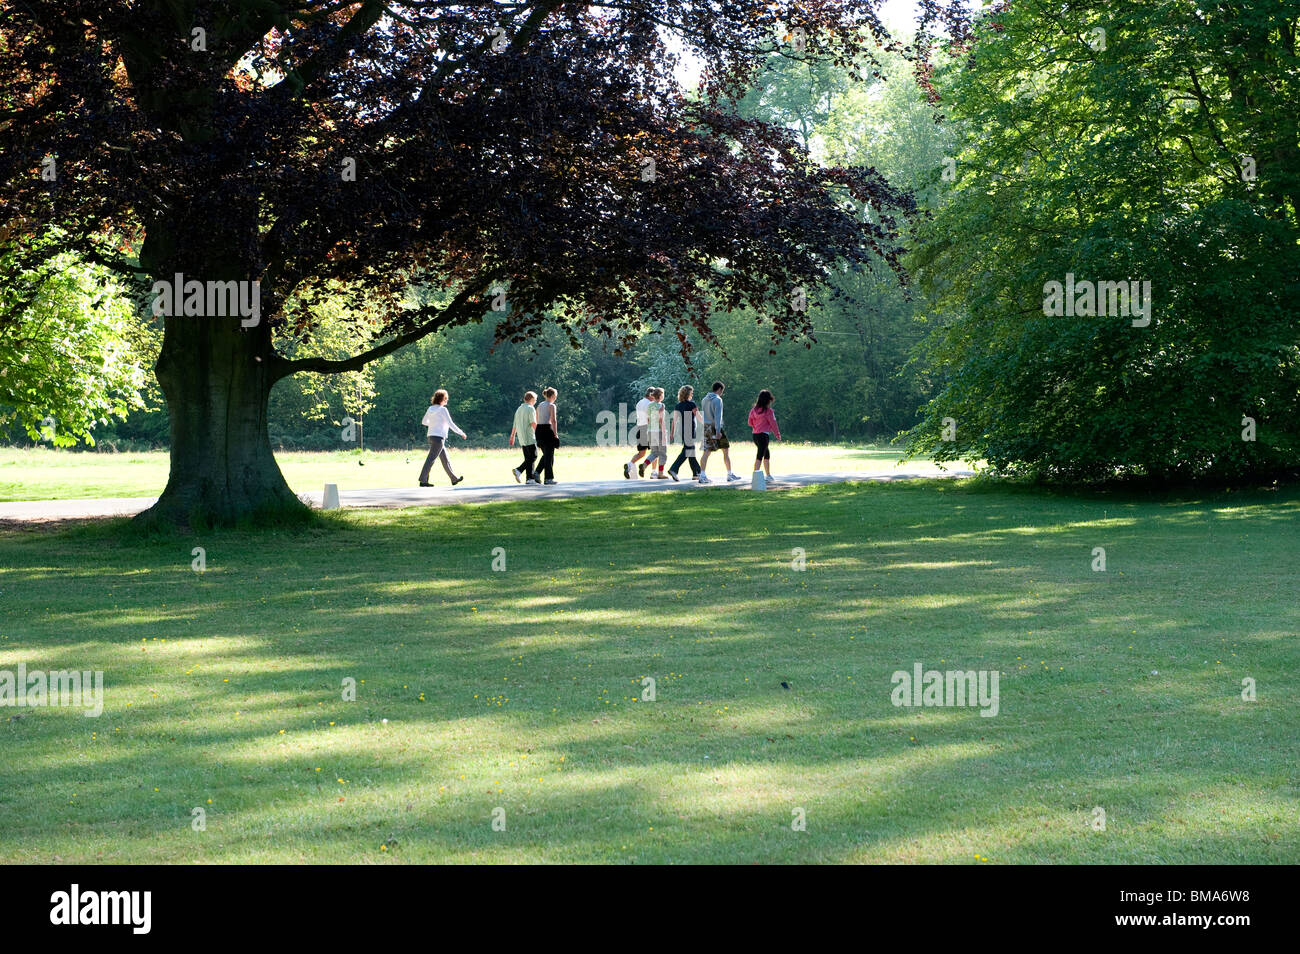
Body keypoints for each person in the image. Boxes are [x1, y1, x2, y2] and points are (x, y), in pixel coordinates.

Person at [419, 389, 467, 486]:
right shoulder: (443, 410)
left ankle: (454, 479)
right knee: (431, 459)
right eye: (446, 399)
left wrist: (433, 424)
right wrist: (461, 432)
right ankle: (423, 480)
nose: (447, 401)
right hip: (439, 438)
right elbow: (450, 424)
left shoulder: (430, 409)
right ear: (442, 399)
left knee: (445, 459)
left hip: (431, 436)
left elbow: (424, 422)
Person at [697, 380, 742, 484]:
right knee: (724, 450)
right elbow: (718, 416)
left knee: (708, 451)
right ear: (720, 389)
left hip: (706, 427)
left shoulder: (704, 399)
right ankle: (728, 474)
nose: (722, 393)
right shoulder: (718, 400)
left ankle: (703, 475)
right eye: (722, 391)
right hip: (715, 427)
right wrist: (718, 431)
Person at [667, 385, 702, 481]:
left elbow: (674, 421)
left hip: (682, 431)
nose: (692, 394)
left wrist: (671, 433)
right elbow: (698, 416)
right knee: (687, 451)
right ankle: (674, 469)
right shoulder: (692, 404)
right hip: (689, 430)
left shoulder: (678, 405)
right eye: (691, 392)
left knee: (690, 451)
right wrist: (707, 424)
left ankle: (696, 473)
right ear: (688, 394)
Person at [747, 388, 781, 483]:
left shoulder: (753, 410)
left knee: (766, 453)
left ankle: (768, 475)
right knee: (760, 455)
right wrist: (777, 435)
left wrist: (756, 426)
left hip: (755, 435)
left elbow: (749, 422)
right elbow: (773, 424)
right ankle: (755, 476)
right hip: (764, 436)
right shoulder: (769, 412)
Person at [624, 387, 655, 478]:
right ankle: (654, 472)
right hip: (648, 428)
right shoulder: (651, 404)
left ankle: (629, 464)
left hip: (640, 428)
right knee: (655, 452)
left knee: (641, 453)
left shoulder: (639, 403)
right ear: (651, 395)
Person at [509, 390, 538, 483]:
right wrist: (540, 433)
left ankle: (530, 479)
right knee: (534, 456)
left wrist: (512, 436)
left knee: (528, 458)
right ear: (532, 399)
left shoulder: (519, 409)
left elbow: (514, 424)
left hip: (521, 437)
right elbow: (533, 423)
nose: (535, 402)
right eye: (535, 400)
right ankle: (519, 470)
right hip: (529, 436)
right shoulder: (530, 408)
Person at [534, 386, 560, 484]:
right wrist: (555, 433)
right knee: (549, 455)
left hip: (539, 430)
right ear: (553, 395)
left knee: (547, 454)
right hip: (547, 429)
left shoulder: (540, 405)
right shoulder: (551, 405)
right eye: (555, 395)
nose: (556, 397)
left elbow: (536, 418)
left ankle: (537, 472)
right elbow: (553, 420)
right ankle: (548, 478)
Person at [642, 387, 669, 478]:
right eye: (663, 394)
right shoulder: (661, 406)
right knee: (662, 453)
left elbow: (648, 419)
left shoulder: (649, 405)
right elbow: (661, 420)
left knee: (654, 452)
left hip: (650, 431)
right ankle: (660, 473)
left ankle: (644, 465)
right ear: (660, 396)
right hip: (658, 431)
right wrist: (664, 432)